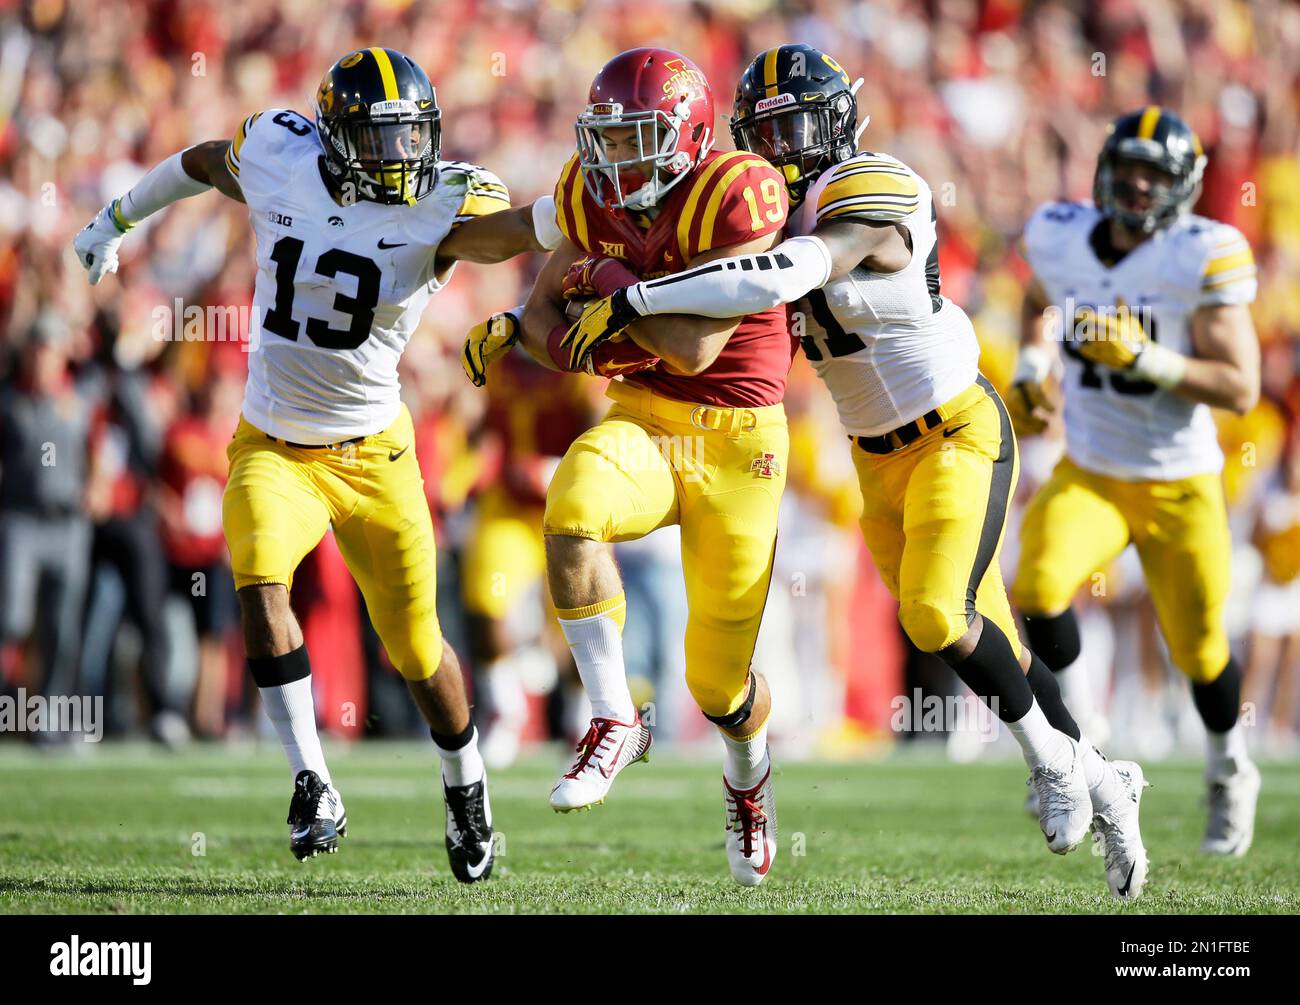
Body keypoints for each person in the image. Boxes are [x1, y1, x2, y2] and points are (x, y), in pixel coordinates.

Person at [558, 44, 1149, 898]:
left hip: (956, 431)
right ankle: (1102, 778)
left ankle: (1058, 765)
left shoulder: (871, 185)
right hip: (875, 460)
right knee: (989, 636)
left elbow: (805, 266)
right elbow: (584, 228)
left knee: (935, 615)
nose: (788, 146)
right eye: (767, 132)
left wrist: (636, 298)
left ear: (840, 120)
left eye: (801, 125)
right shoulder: (754, 208)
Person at [73, 46, 563, 880]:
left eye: (413, 137)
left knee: (417, 649)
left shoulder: (437, 203)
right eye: (382, 139)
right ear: (335, 140)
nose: (404, 157)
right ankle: (311, 779)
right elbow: (199, 164)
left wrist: (585, 210)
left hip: (378, 453)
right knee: (258, 581)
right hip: (274, 441)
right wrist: (117, 215)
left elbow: (513, 232)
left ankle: (465, 779)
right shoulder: (279, 158)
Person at [464, 47, 793, 886]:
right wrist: (571, 332)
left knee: (717, 682)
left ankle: (748, 781)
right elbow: (541, 320)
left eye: (639, 138)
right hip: (645, 416)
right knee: (571, 507)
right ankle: (614, 716)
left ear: (686, 133)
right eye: (607, 137)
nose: (617, 157)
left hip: (739, 441)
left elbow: (694, 344)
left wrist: (609, 288)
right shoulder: (588, 187)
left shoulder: (738, 191)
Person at [1006, 107, 1263, 857]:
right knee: (1039, 583)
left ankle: (1227, 769)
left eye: (1154, 173)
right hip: (1092, 469)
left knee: (1201, 648)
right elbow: (1035, 298)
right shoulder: (1060, 233)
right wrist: (1030, 366)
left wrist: (1146, 358)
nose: (1137, 184)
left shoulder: (1199, 255)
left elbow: (1241, 386)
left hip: (1180, 482)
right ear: (1104, 170)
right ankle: (1085, 743)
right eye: (1128, 168)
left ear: (1182, 186)